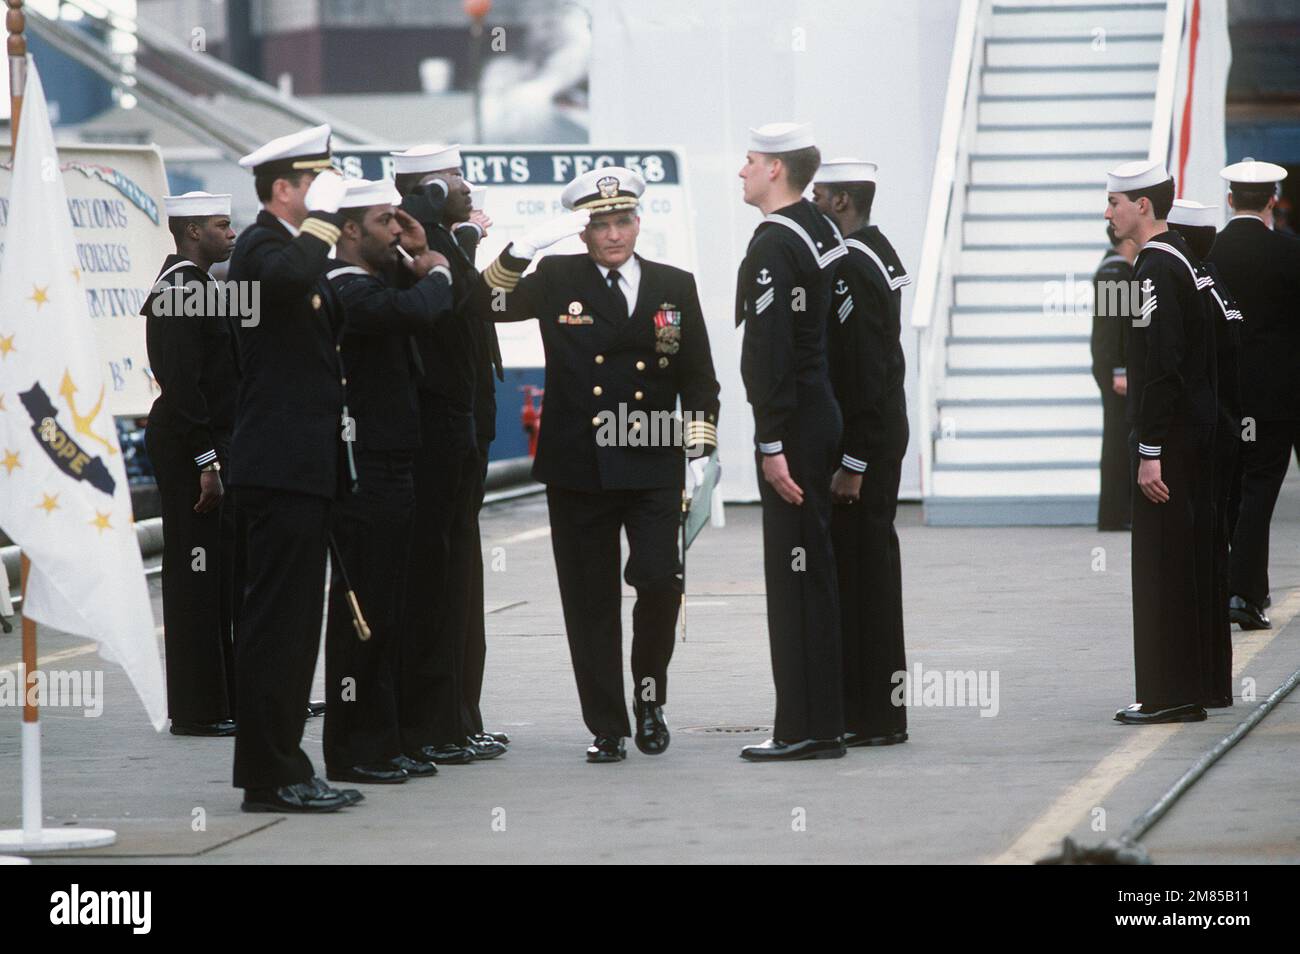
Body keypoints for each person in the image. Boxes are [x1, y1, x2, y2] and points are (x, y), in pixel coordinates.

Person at [477, 166, 721, 762]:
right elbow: (483, 302)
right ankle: (607, 724)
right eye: (600, 225)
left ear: (639, 222)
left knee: (660, 581)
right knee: (588, 600)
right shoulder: (557, 276)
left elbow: (698, 376)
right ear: (582, 233)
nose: (614, 234)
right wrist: (522, 248)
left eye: (623, 221)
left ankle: (649, 698)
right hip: (579, 465)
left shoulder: (674, 283)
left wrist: (699, 451)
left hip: (653, 460)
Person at [227, 124, 361, 812]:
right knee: (275, 626)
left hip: (302, 467)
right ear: (285, 189)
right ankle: (268, 773)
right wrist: (324, 222)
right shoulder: (261, 247)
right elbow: (283, 285)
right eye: (316, 182)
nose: (325, 195)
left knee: (293, 624)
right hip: (279, 468)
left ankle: (285, 763)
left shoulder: (287, 249)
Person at [321, 178, 455, 784]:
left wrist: (423, 248)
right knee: (362, 614)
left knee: (391, 608)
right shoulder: (346, 288)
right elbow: (416, 310)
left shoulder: (377, 282)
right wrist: (438, 270)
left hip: (393, 460)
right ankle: (354, 747)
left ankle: (386, 735)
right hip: (362, 466)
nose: (397, 232)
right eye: (384, 222)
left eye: (399, 222)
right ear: (349, 230)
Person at [390, 144, 507, 764]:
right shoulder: (415, 248)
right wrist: (455, 249)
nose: (467, 185)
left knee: (459, 576)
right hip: (437, 436)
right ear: (429, 189)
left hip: (464, 432)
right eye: (454, 177)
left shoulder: (444, 246)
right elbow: (452, 310)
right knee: (438, 580)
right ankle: (438, 722)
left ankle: (461, 715)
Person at [735, 123, 847, 760]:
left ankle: (803, 728)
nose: (741, 171)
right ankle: (821, 722)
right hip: (819, 411)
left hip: (795, 424)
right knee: (816, 571)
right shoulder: (820, 226)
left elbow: (770, 348)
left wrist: (770, 440)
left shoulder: (775, 244)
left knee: (796, 574)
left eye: (750, 161)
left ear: (775, 168)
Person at [1104, 160, 1217, 726]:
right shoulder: (1176, 263)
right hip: (1185, 435)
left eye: (1115, 202)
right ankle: (1186, 687)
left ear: (1142, 205)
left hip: (1166, 442)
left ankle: (1168, 693)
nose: (1108, 213)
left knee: (1160, 568)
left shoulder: (1154, 269)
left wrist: (1150, 451)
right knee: (1180, 563)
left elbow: (1161, 367)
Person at [811, 157, 909, 748]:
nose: (813, 204)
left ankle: (872, 713)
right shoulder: (878, 250)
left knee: (864, 577)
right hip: (879, 434)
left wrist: (853, 462)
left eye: (820, 195)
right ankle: (878, 710)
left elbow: (867, 372)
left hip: (866, 441)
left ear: (842, 201)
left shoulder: (851, 264)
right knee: (872, 570)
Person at [142, 191, 239, 738]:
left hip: (204, 442)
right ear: (193, 232)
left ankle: (223, 696)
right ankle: (198, 709)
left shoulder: (202, 288)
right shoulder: (179, 290)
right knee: (196, 576)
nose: (232, 235)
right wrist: (208, 460)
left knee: (217, 576)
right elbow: (183, 384)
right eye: (222, 226)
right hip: (188, 446)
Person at [1207, 159, 1300, 631]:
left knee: (1233, 492)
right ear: (1273, 200)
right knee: (1260, 488)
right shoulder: (1289, 254)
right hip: (1277, 396)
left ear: (1229, 200)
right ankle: (1243, 592)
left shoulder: (1209, 253)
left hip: (1225, 396)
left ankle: (1246, 587)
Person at [1169, 198, 1244, 709]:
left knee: (1201, 556)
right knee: (1212, 555)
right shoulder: (1213, 284)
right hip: (1226, 429)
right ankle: (1213, 680)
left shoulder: (1196, 285)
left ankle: (1202, 679)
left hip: (1210, 435)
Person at [1090, 224, 1138, 532]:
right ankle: (1114, 513)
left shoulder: (1121, 271)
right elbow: (1112, 327)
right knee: (1118, 442)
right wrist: (1120, 370)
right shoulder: (1114, 272)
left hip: (1115, 368)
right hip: (1116, 372)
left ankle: (1119, 511)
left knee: (1120, 440)